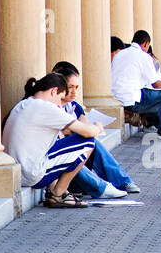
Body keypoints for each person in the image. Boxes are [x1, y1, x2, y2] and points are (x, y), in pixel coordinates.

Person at [2, 73, 101, 209]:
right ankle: (58, 193)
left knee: (57, 142)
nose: (61, 105)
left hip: (17, 171)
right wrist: (98, 127)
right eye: (61, 99)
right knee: (88, 142)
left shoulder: (24, 104)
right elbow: (88, 132)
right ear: (54, 91)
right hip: (30, 174)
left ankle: (54, 189)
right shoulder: (45, 107)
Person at [51, 61, 139, 196]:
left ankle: (122, 182)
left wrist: (82, 129)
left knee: (91, 142)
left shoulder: (74, 106)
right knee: (73, 152)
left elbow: (83, 127)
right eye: (71, 87)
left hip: (71, 166)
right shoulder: (50, 107)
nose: (74, 91)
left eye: (77, 87)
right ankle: (102, 188)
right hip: (55, 167)